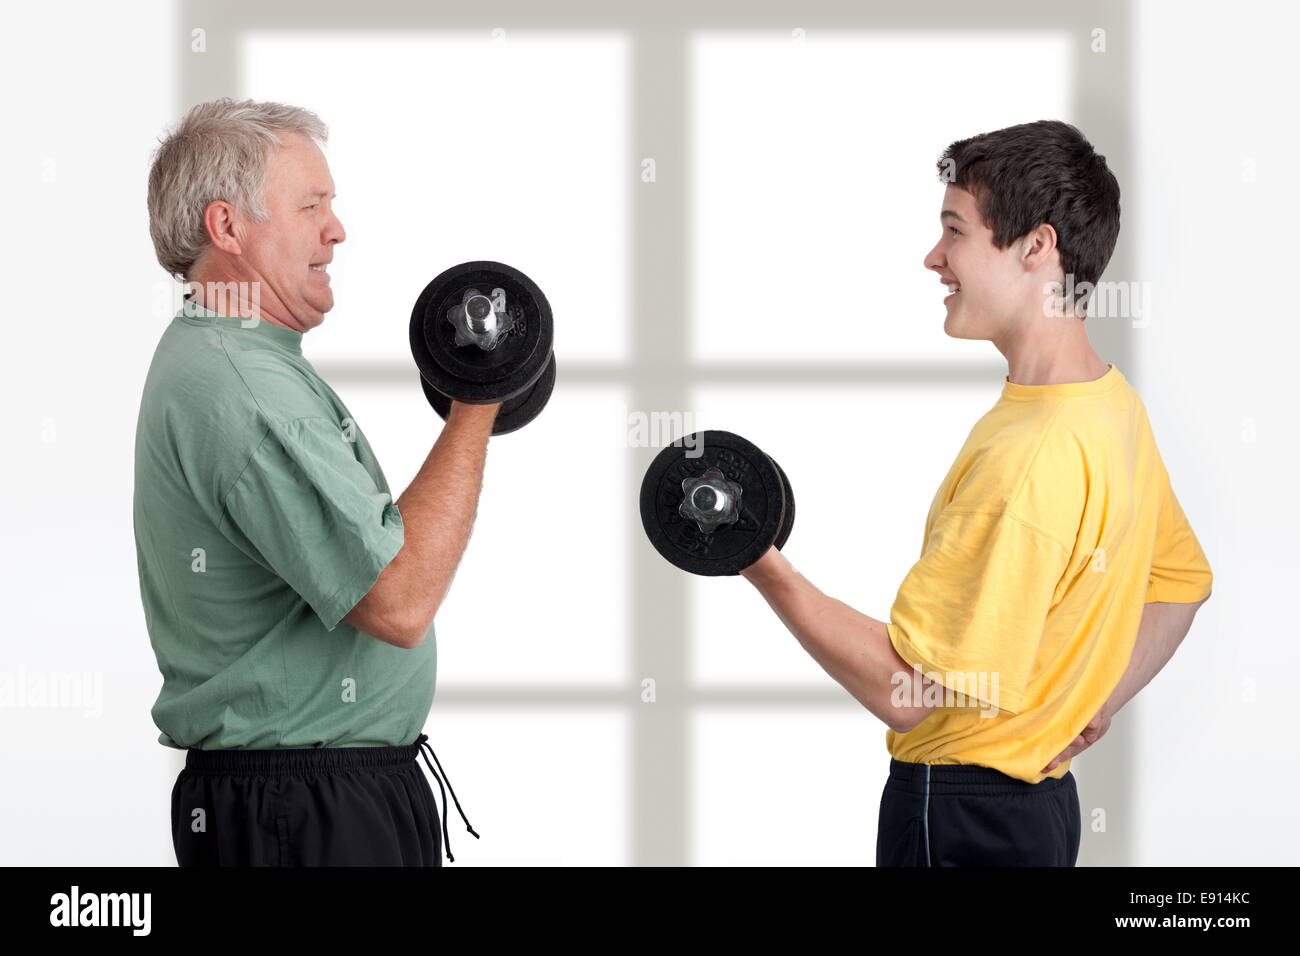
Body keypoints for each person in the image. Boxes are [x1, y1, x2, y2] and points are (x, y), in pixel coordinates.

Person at [740, 120, 1213, 866]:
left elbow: (908, 692)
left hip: (960, 815)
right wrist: (1095, 702)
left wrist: (760, 562)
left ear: (1037, 247)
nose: (934, 258)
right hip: (1042, 807)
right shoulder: (1109, 408)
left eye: (954, 231)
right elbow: (1181, 582)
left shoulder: (1027, 460)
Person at [136, 98, 494, 866]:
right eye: (311, 206)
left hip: (315, 794)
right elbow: (398, 600)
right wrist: (478, 399)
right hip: (304, 808)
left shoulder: (236, 359)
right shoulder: (244, 388)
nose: (337, 230)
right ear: (227, 228)